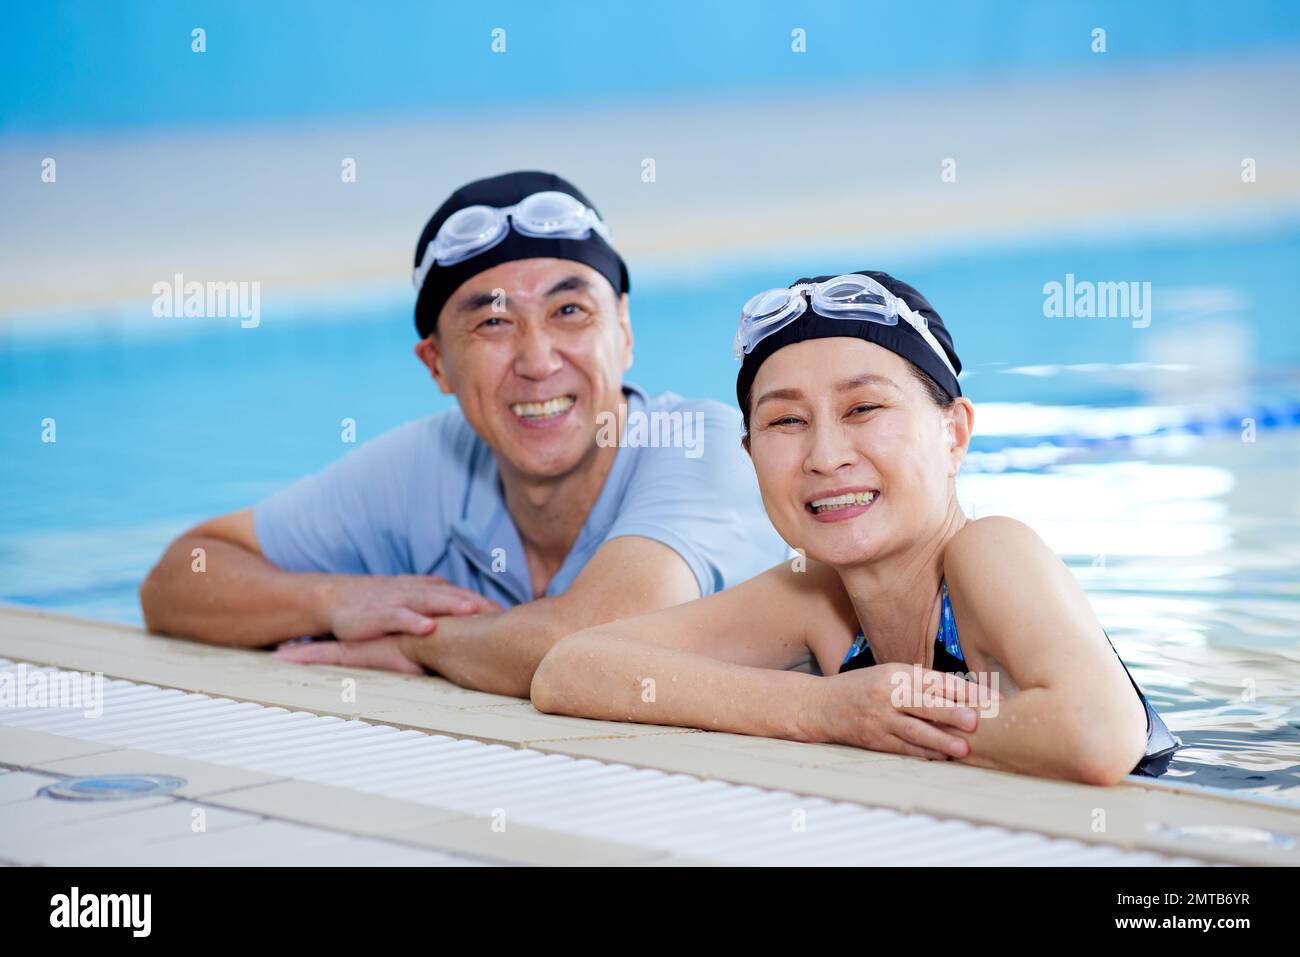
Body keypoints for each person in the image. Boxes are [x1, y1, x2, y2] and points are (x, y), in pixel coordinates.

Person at [139, 171, 788, 697]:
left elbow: (599, 643)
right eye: (493, 324)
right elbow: (177, 580)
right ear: (437, 364)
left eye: (570, 311)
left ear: (623, 331)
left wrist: (416, 640)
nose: (537, 361)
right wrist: (340, 598)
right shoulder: (431, 464)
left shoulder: (701, 443)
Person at [531, 270, 1180, 785]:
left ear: (954, 433)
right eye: (786, 421)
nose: (826, 455)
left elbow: (1097, 734)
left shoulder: (989, 551)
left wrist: (883, 720)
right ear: (751, 452)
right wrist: (823, 710)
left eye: (864, 408)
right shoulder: (815, 593)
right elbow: (572, 667)